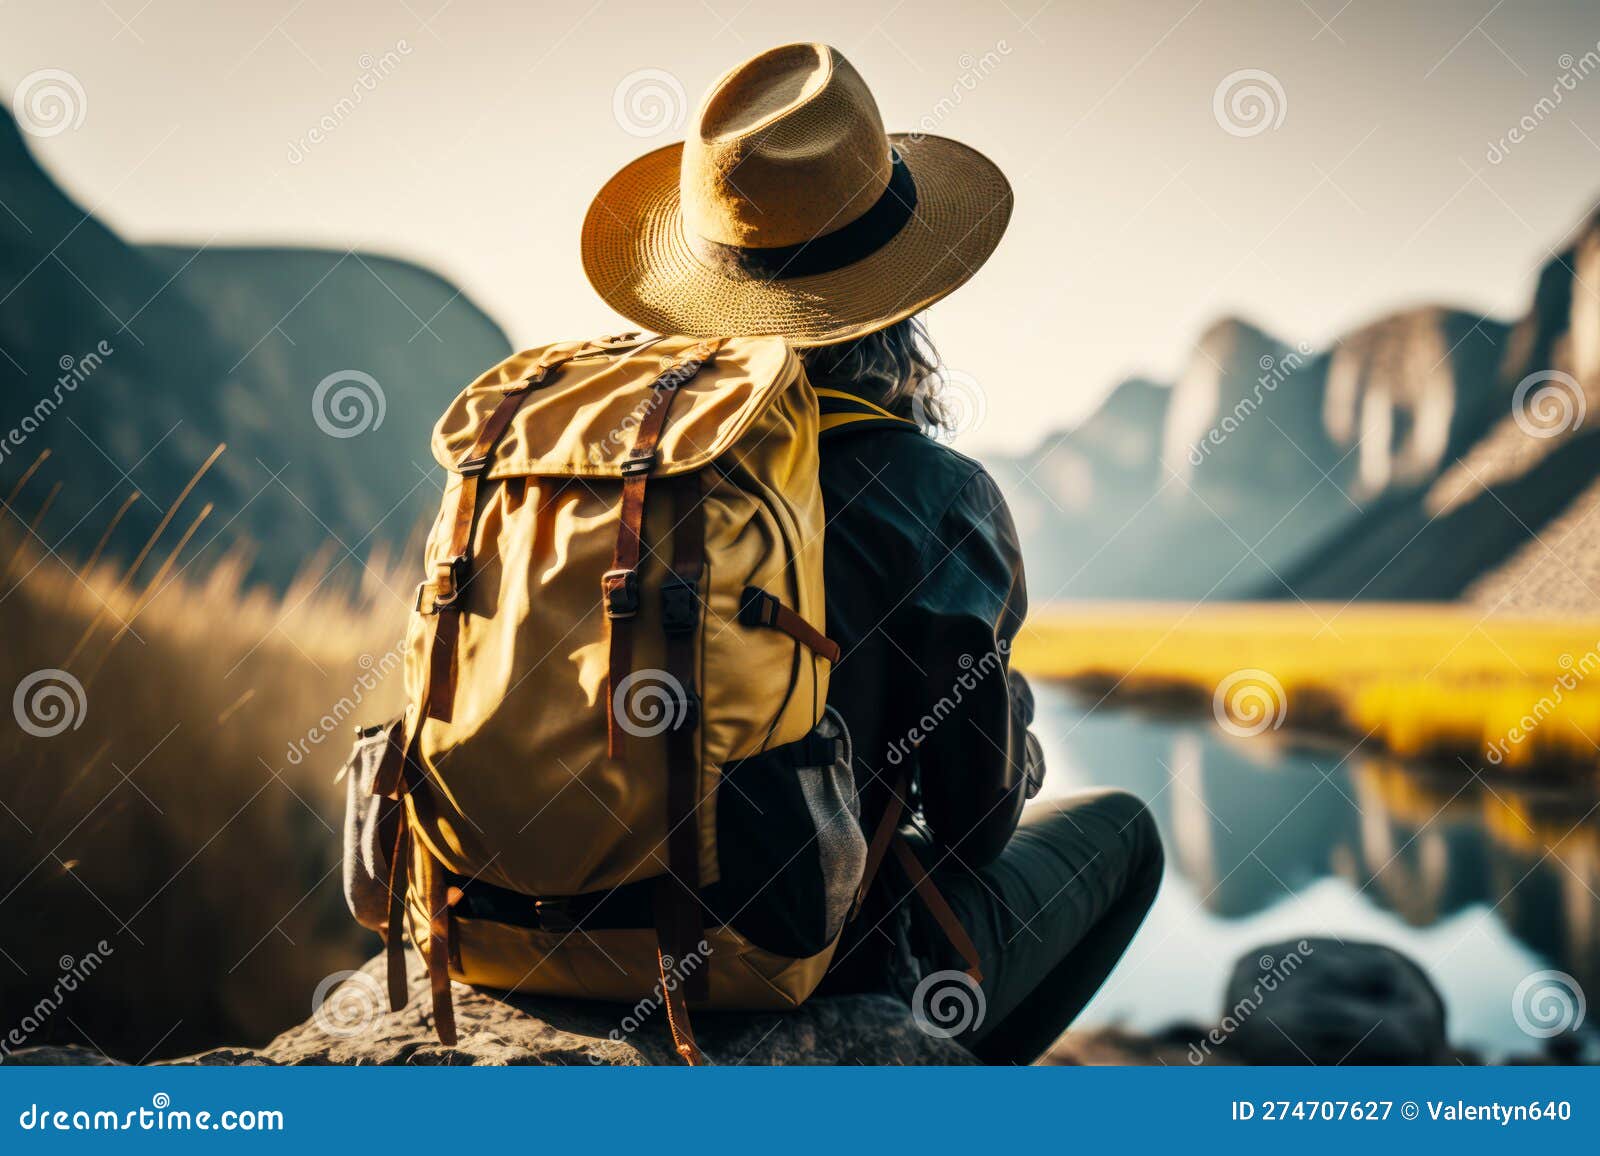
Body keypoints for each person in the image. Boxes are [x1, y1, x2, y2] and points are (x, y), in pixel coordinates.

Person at [582, 41, 1163, 1064]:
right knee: (1124, 832)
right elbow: (977, 826)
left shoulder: (618, 464)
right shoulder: (936, 492)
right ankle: (931, 1076)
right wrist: (1011, 735)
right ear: (900, 301)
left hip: (580, 923)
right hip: (809, 950)